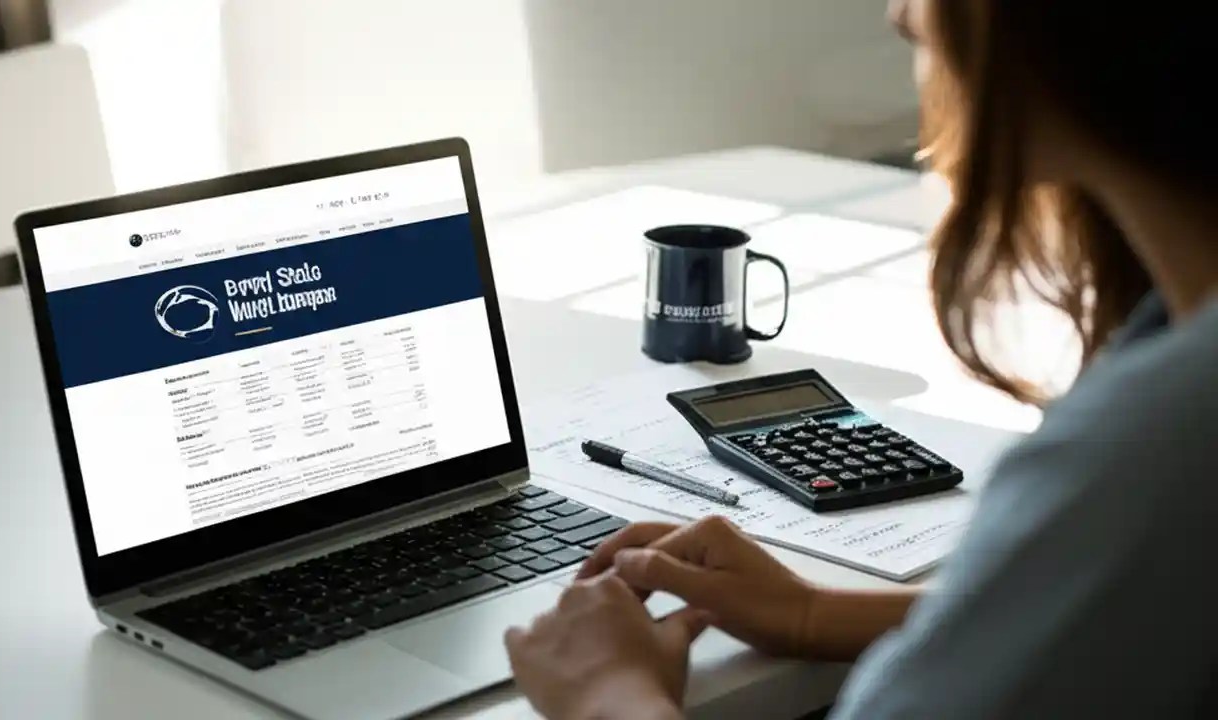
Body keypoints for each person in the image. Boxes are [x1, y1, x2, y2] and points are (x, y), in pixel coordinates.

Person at [503, 0, 1218, 717]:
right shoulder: (1171, 362)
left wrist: (607, 697)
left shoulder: (1153, 443)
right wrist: (818, 613)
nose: (901, 12)